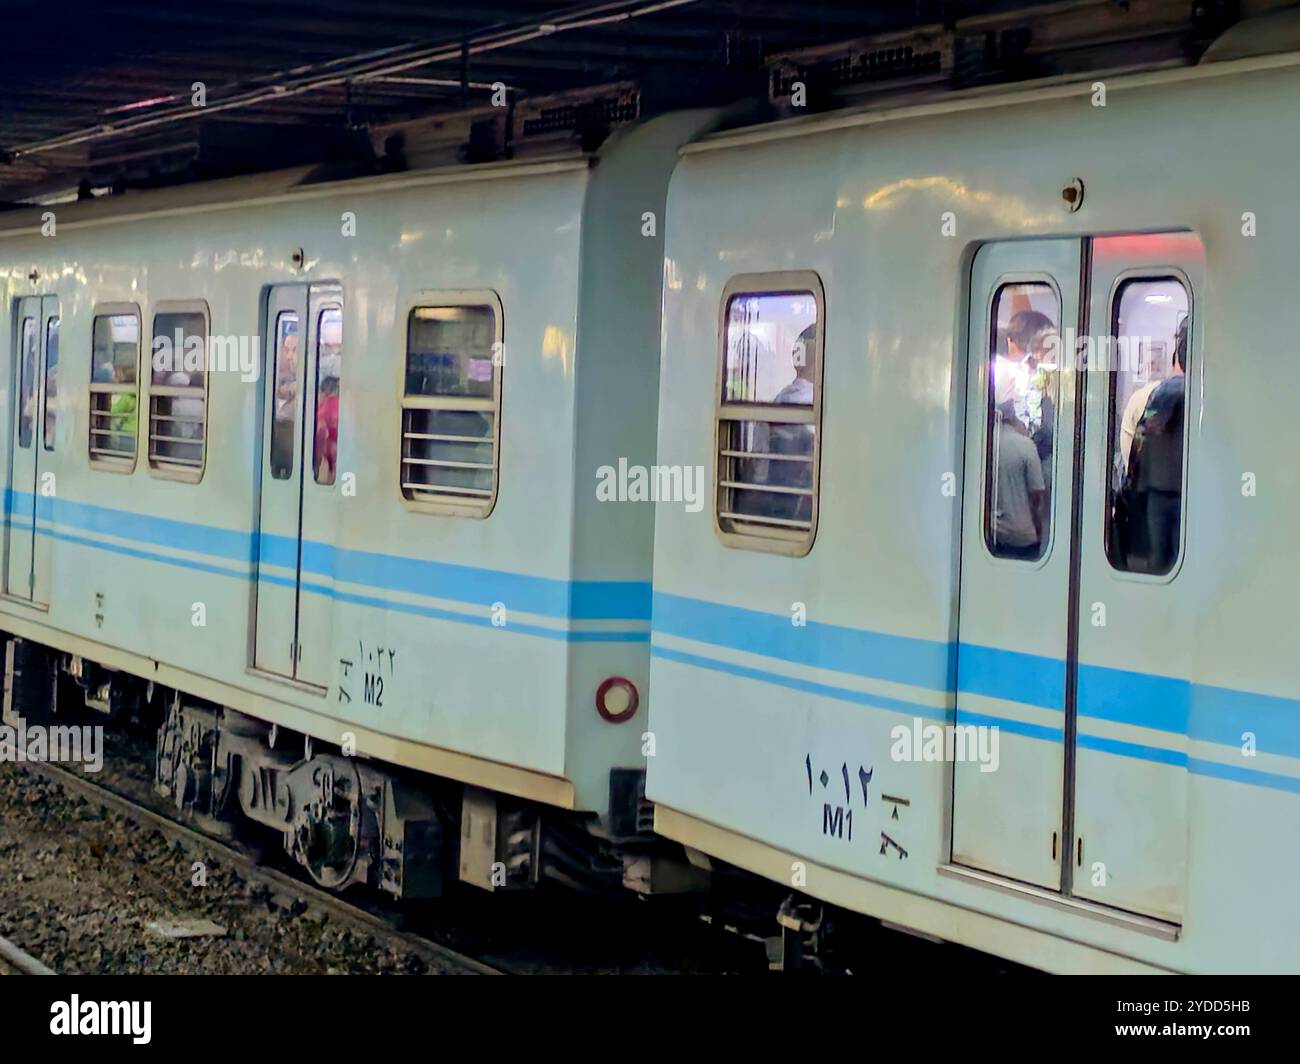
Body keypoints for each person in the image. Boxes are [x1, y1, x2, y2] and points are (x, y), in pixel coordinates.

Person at [1115, 318, 1187, 573]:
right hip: (1188, 494)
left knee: (1159, 562)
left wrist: (1133, 480)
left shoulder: (1155, 394)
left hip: (1156, 492)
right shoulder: (1206, 395)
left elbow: (1137, 443)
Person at [989, 391, 1047, 560]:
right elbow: (1037, 494)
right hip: (1023, 536)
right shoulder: (1026, 446)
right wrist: (1037, 528)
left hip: (991, 533)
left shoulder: (983, 444)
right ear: (1013, 416)